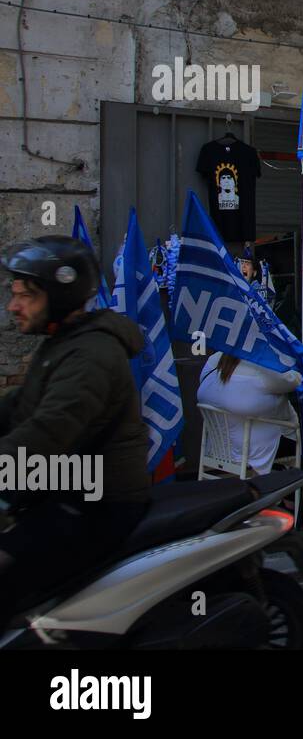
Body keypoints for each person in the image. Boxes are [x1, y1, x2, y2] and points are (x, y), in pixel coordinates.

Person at [0, 236, 151, 623]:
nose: (14, 306)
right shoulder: (62, 344)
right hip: (58, 493)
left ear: (59, 295)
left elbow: (46, 433)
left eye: (26, 296)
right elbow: (19, 407)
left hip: (94, 505)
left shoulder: (91, 355)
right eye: (14, 294)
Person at [197, 353, 303, 475]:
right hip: (252, 449)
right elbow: (296, 381)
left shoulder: (214, 360)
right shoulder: (262, 366)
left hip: (218, 448)